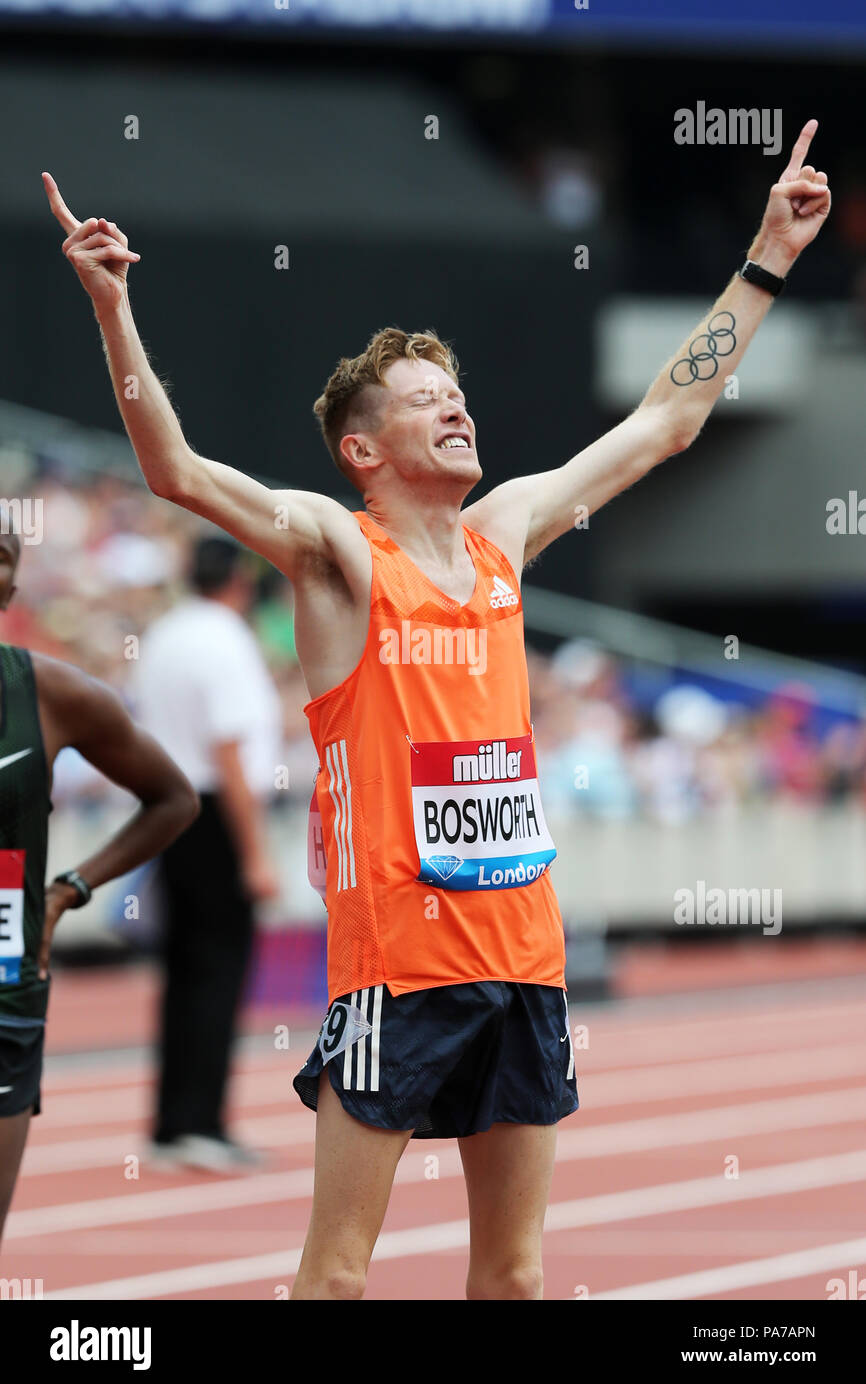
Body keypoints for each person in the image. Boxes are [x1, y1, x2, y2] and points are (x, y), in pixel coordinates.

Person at [42, 120, 831, 1299]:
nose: (456, 409)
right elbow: (179, 473)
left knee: (512, 1277)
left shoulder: (504, 528)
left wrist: (766, 253)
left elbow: (663, 421)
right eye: (424, 401)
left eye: (456, 394)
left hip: (526, 960)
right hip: (396, 972)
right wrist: (111, 306)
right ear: (362, 448)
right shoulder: (334, 554)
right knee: (339, 1276)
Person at [0, 528, 199, 1246]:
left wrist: (69, 889)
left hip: (6, 998)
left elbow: (175, 798)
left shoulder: (52, 694)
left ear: (13, 588)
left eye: (2, 554)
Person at [134, 535, 283, 1170]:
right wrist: (255, 855)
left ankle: (171, 1123)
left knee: (182, 972)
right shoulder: (226, 639)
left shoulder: (165, 633)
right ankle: (202, 1122)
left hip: (169, 810)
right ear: (241, 581)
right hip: (217, 814)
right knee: (218, 971)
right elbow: (228, 751)